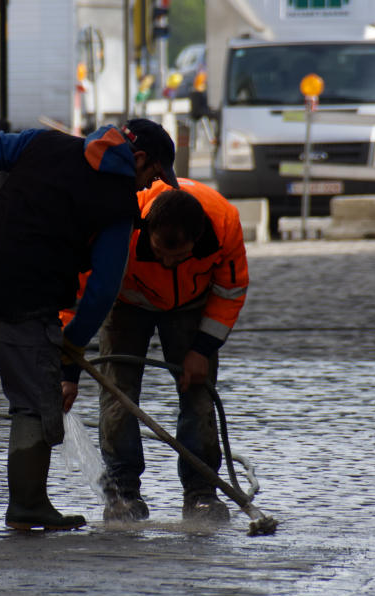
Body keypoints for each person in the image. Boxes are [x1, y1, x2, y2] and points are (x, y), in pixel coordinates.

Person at [0, 119, 180, 531]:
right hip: (24, 300)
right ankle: (28, 504)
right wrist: (72, 346)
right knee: (36, 400)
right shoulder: (118, 204)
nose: (149, 186)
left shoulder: (47, 144)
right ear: (140, 158)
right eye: (154, 176)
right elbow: (102, 291)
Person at [65, 178, 249, 523]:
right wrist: (68, 370)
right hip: (126, 302)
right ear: (145, 230)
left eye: (178, 257)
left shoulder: (224, 223)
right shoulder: (118, 223)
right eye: (161, 253)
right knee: (118, 393)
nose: (167, 264)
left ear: (198, 239)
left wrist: (202, 349)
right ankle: (123, 492)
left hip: (192, 306)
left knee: (198, 396)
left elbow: (230, 291)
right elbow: (76, 297)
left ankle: (201, 493)